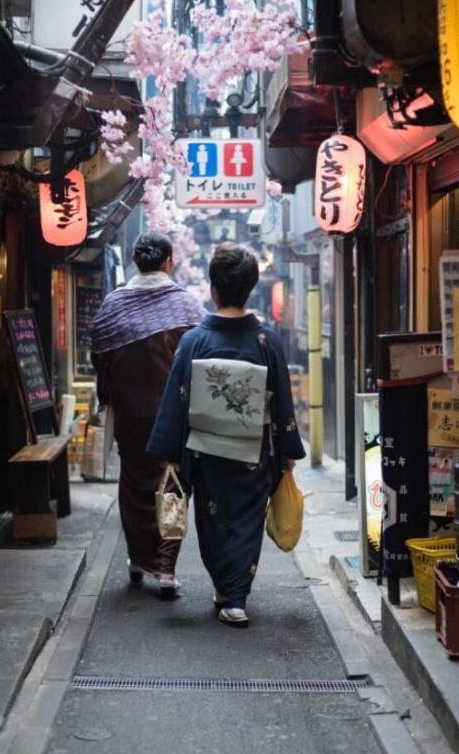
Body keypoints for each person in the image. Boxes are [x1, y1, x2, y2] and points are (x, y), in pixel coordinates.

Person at [146, 244, 305, 627]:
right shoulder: (266, 342)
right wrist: (286, 450)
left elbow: (177, 401)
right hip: (254, 454)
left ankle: (231, 592)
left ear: (213, 288)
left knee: (213, 520)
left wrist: (170, 452)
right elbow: (282, 400)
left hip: (205, 453)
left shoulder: (194, 341)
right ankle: (233, 593)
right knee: (246, 521)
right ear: (249, 288)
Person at [90, 232, 204, 596]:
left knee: (135, 483)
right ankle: (166, 567)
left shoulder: (113, 304)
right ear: (169, 261)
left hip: (130, 416)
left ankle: (139, 559)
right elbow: (202, 361)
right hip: (174, 416)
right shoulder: (186, 306)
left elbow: (99, 357)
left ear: (137, 261)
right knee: (173, 485)